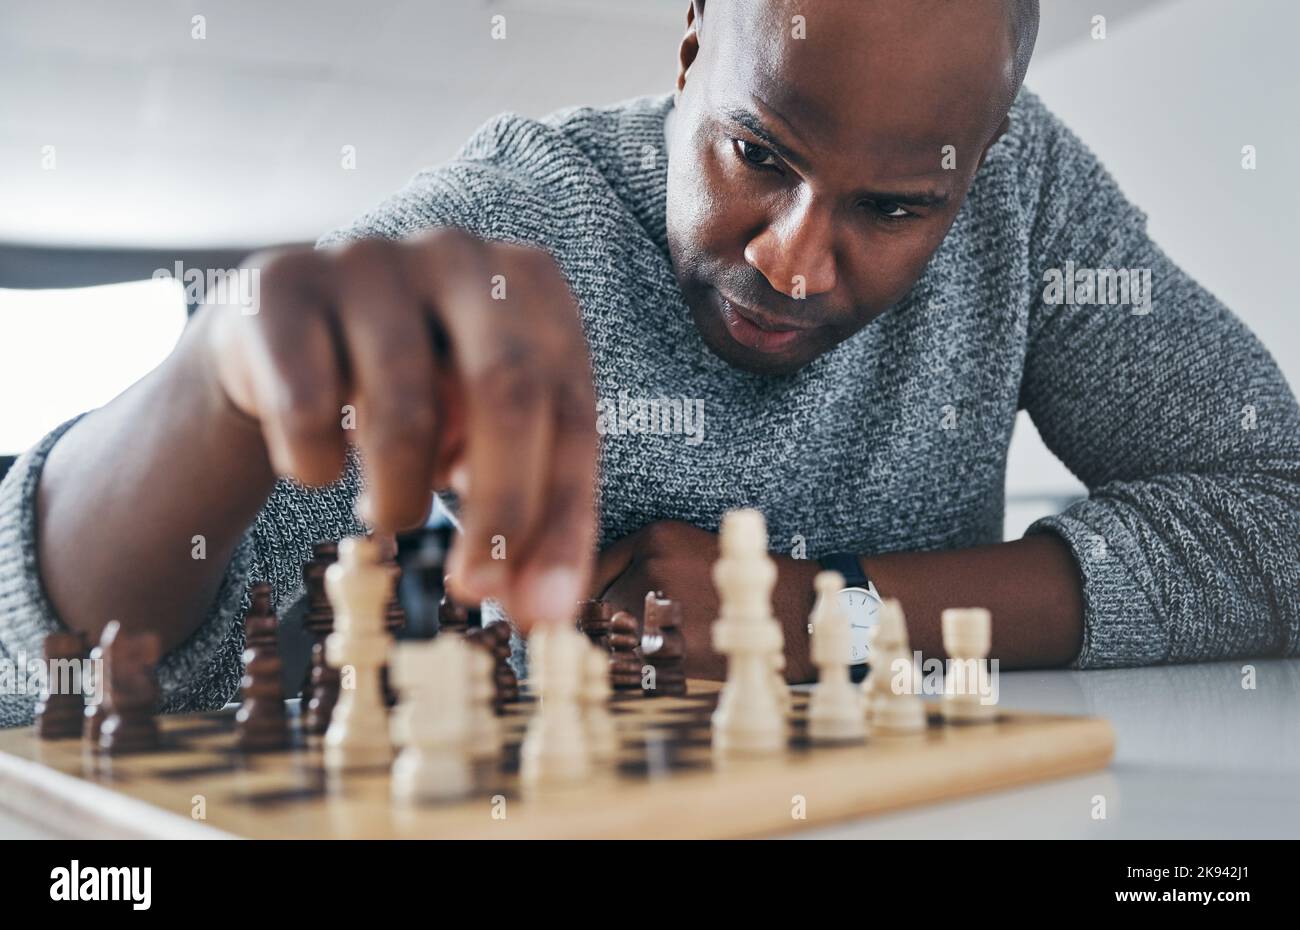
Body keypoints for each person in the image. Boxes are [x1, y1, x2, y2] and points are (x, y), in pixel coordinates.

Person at [1, 0, 1296, 725]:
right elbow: (52, 654)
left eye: (894, 209)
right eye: (761, 156)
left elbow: (1278, 518)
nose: (796, 263)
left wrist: (811, 611)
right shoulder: (505, 223)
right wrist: (214, 388)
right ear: (690, 55)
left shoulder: (1028, 195)